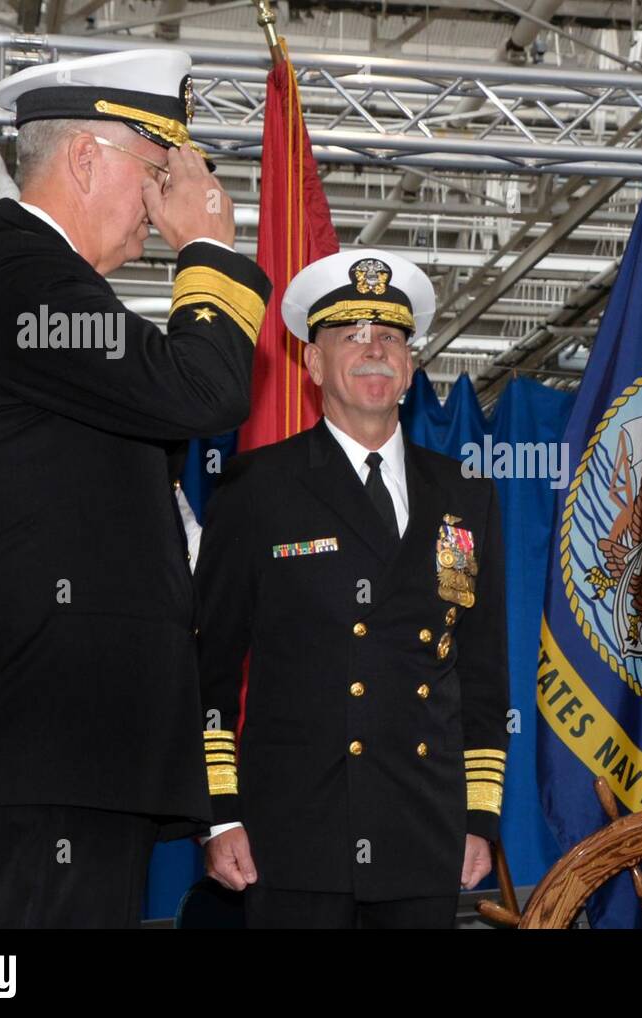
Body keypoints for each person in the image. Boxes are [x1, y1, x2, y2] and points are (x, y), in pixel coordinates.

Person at [0, 49, 271, 928]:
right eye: (156, 169)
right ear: (86, 158)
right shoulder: (17, 275)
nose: (161, 198)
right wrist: (209, 244)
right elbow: (204, 392)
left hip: (66, 758)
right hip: (44, 754)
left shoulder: (28, 281)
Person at [195, 248, 510, 929]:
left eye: (391, 337)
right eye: (351, 336)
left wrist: (479, 817)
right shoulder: (258, 489)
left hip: (422, 832)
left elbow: (482, 676)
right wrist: (221, 814)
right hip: (292, 838)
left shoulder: (466, 494)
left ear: (410, 366)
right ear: (311, 363)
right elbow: (206, 669)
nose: (374, 352)